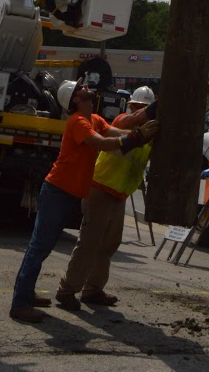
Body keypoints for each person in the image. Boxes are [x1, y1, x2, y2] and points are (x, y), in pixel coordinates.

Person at [9, 79, 152, 323]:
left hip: (67, 193)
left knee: (42, 245)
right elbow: (103, 143)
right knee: (39, 246)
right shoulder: (78, 122)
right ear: (75, 99)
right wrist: (135, 139)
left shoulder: (94, 119)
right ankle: (20, 303)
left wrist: (139, 130)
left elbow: (113, 133)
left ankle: (27, 295)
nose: (88, 88)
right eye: (82, 88)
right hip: (58, 191)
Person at [55, 85, 157, 310]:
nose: (140, 112)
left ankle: (93, 289)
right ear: (131, 107)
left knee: (109, 243)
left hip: (119, 193)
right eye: (138, 108)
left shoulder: (149, 132)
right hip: (100, 188)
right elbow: (131, 123)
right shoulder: (122, 121)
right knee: (90, 242)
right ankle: (67, 290)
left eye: (144, 108)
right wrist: (159, 107)